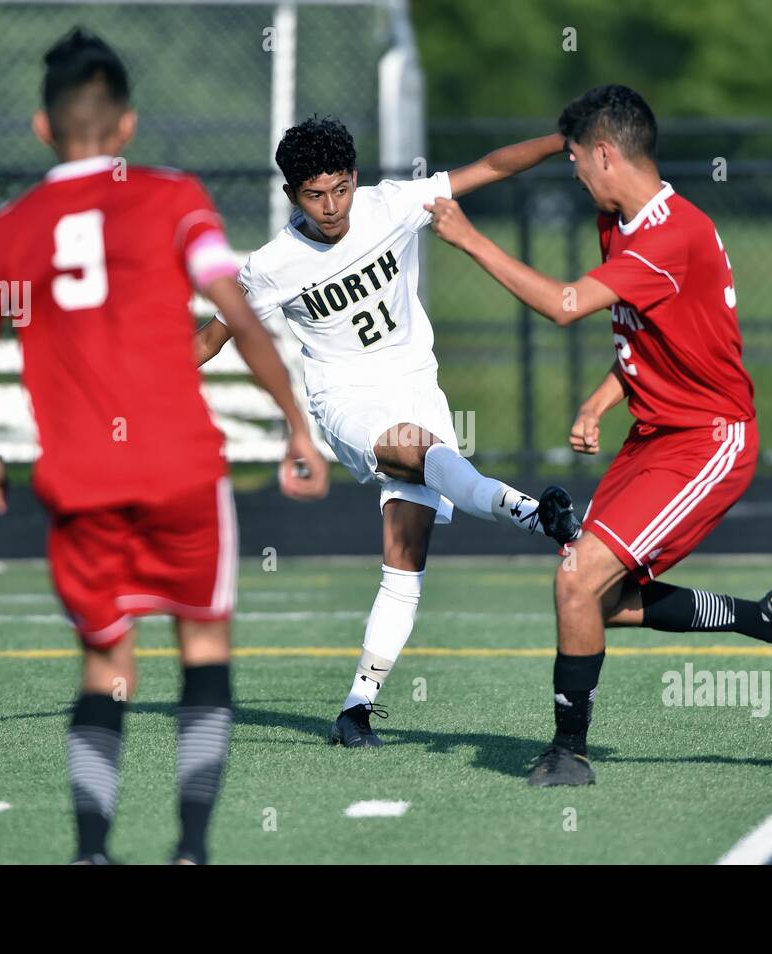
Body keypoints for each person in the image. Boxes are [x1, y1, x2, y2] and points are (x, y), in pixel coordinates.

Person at [0, 28, 328, 861]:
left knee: (107, 668)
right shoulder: (173, 197)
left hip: (79, 479)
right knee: (205, 648)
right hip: (180, 467)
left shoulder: (8, 231)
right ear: (125, 127)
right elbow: (237, 312)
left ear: (44, 129)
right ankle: (190, 847)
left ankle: (90, 849)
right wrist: (295, 423)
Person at [427, 85, 772, 787]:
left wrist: (468, 237)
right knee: (592, 598)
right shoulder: (622, 218)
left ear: (605, 154)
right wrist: (599, 401)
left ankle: (570, 753)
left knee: (575, 581)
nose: (577, 176)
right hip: (655, 435)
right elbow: (653, 337)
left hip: (709, 441)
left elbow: (565, 306)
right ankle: (769, 619)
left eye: (577, 163)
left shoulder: (669, 234)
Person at [195, 117, 581, 748]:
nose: (331, 207)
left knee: (405, 562)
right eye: (315, 195)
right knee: (420, 451)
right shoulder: (271, 266)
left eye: (341, 189)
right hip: (347, 403)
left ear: (355, 179)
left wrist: (562, 139)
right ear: (292, 195)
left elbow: (489, 166)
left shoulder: (392, 205)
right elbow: (210, 340)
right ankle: (534, 515)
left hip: (418, 387)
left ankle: (356, 708)